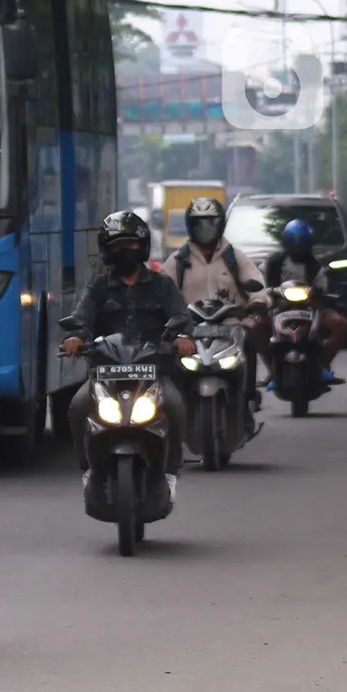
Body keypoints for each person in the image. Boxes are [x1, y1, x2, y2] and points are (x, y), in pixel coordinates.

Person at [62, 211, 195, 503]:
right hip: (105, 375)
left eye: (131, 244)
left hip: (153, 373)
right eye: (118, 245)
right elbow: (82, 320)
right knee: (77, 406)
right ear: (107, 250)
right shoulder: (97, 288)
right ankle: (88, 470)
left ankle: (171, 472)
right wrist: (75, 339)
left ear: (143, 246)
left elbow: (180, 318)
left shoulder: (162, 285)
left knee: (175, 406)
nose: (125, 251)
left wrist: (184, 339)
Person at [161, 196, 273, 400]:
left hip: (231, 327)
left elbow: (257, 284)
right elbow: (160, 292)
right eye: (199, 223)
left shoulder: (235, 257)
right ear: (190, 225)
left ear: (220, 223)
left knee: (249, 339)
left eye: (210, 222)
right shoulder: (178, 261)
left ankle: (247, 396)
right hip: (189, 330)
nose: (205, 228)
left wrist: (258, 302)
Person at [262, 218, 347, 385]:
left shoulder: (315, 265)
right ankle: (272, 369)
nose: (297, 246)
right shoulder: (274, 262)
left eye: (302, 242)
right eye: (293, 242)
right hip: (278, 309)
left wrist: (320, 296)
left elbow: (323, 289)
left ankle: (323, 366)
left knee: (340, 323)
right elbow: (262, 284)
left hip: (310, 310)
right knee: (256, 326)